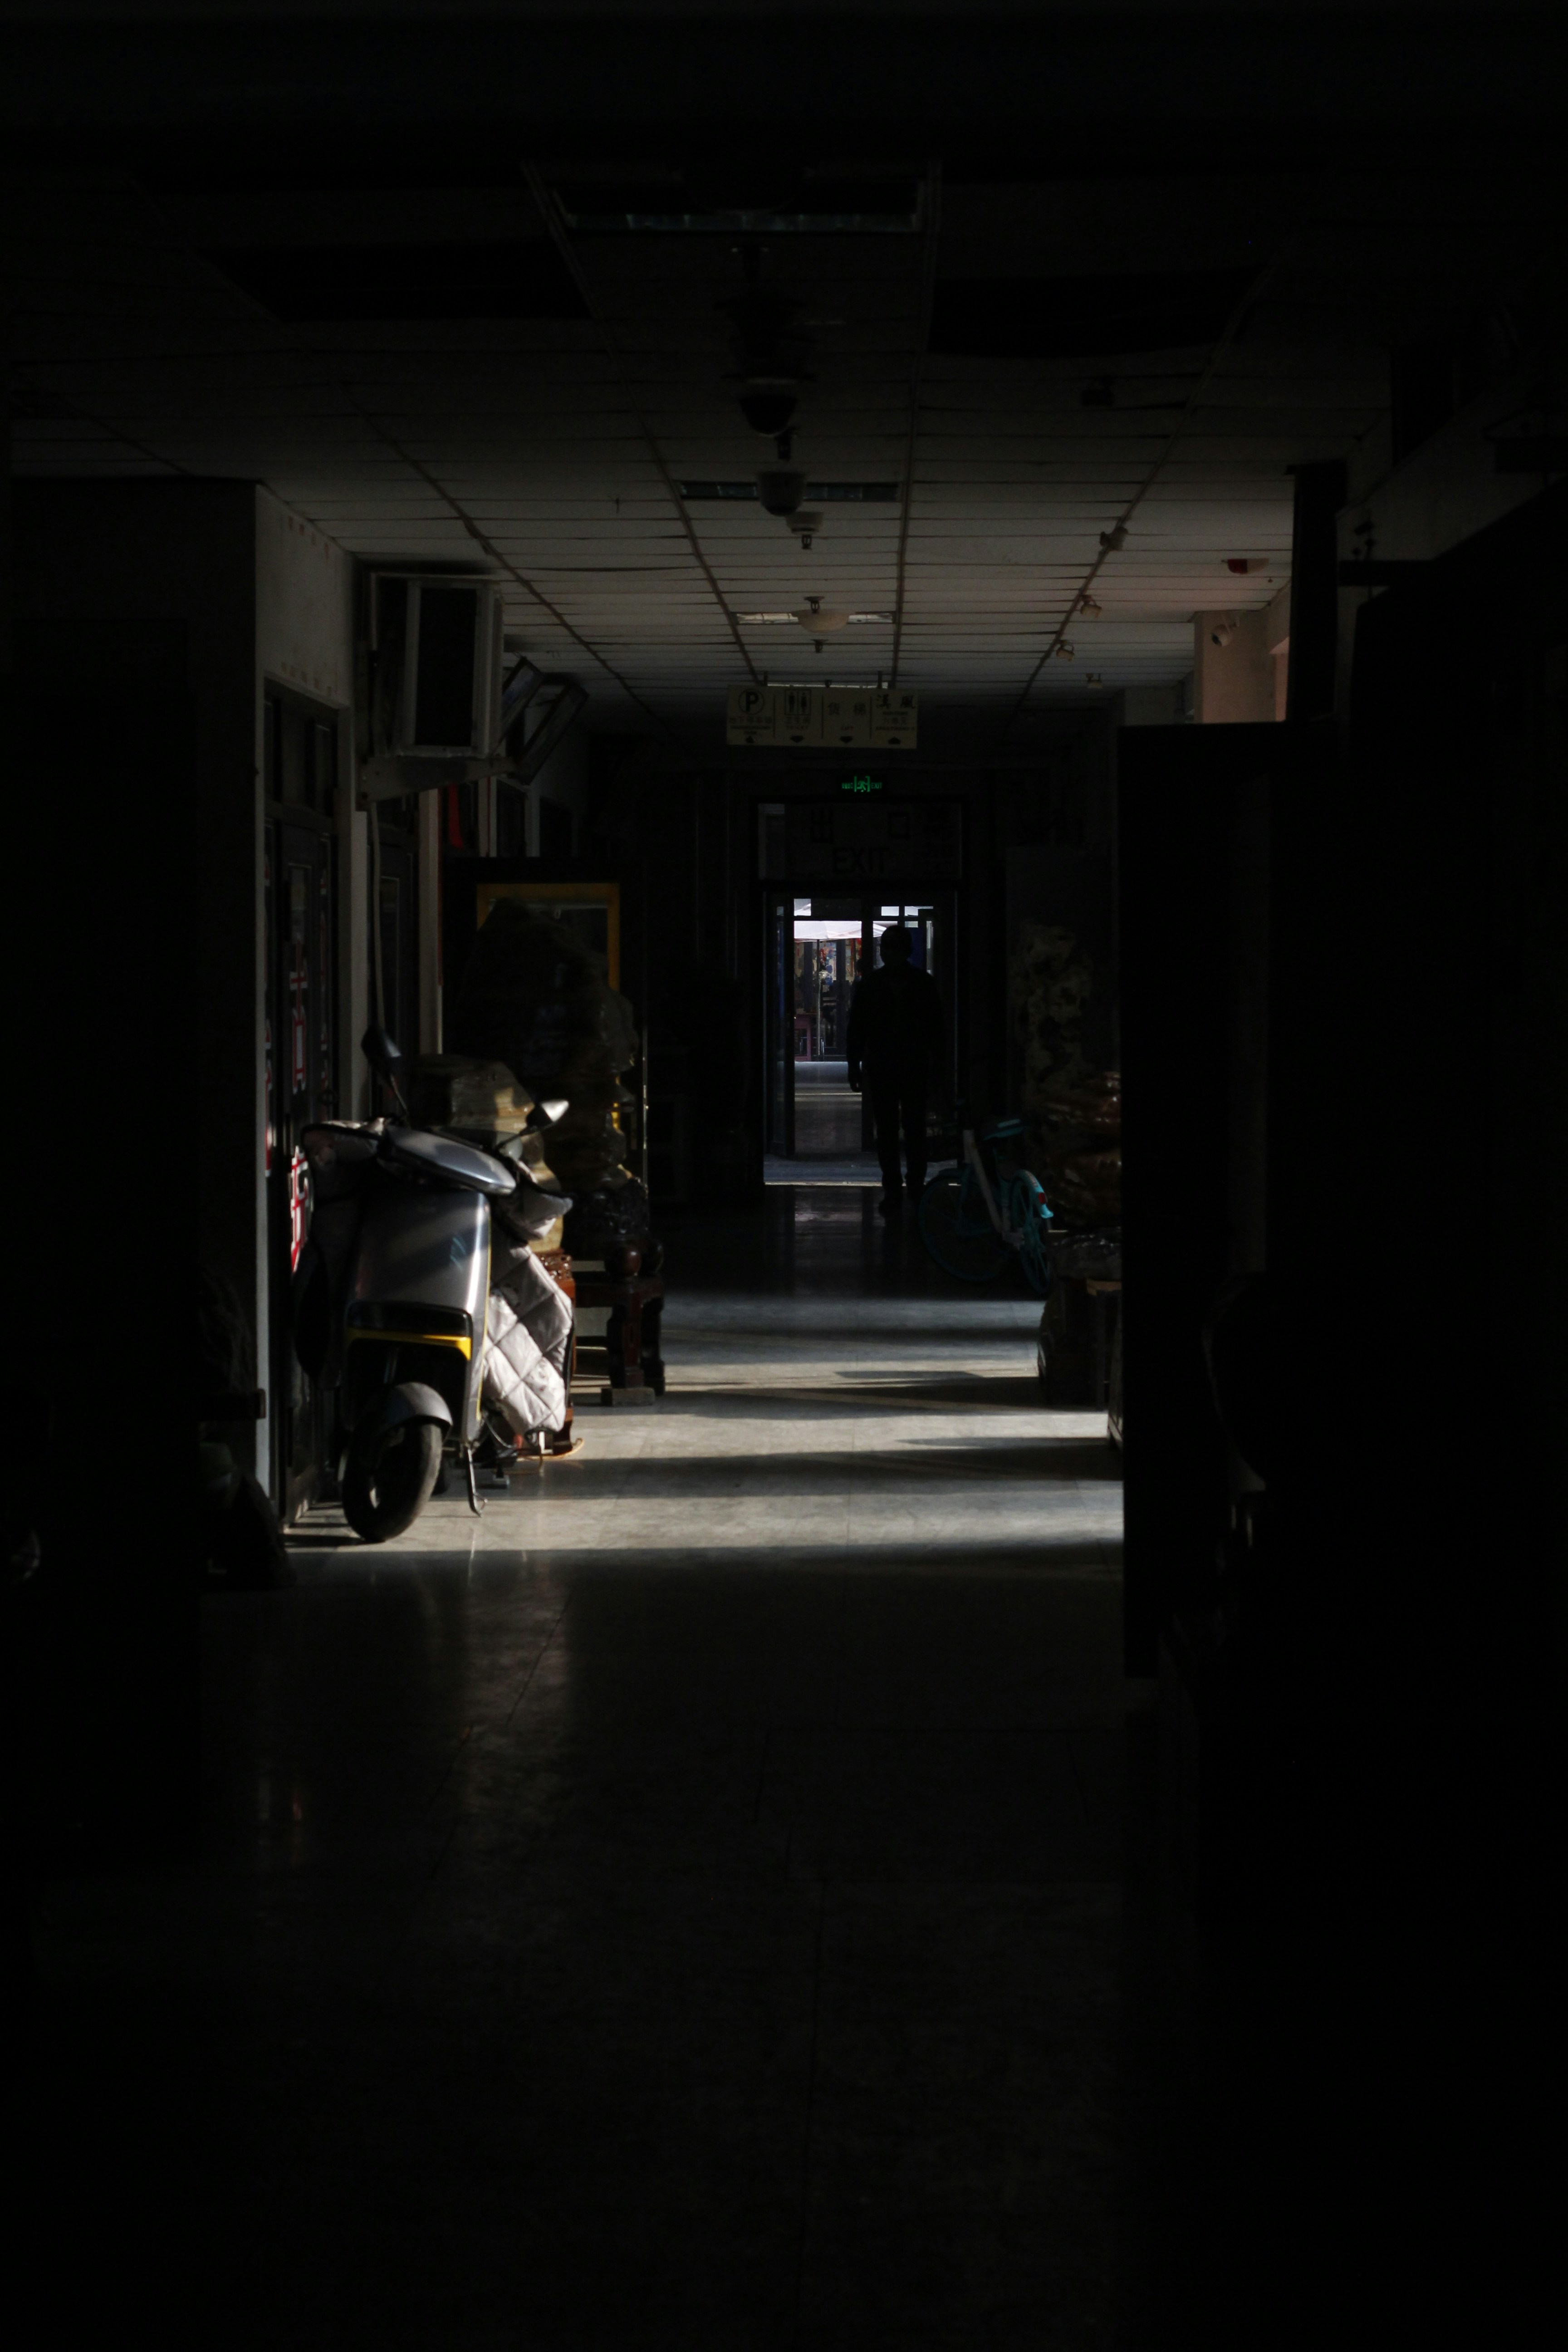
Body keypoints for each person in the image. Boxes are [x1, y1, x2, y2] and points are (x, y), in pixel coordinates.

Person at [846, 925, 943, 1217]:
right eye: (886, 948)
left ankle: (900, 1189)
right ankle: (908, 1187)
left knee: (897, 1131)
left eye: (892, 948)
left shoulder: (873, 985)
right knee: (907, 1130)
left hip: (891, 1065)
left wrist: (855, 1065)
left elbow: (857, 1028)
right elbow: (936, 1031)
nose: (888, 953)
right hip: (903, 1065)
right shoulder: (921, 984)